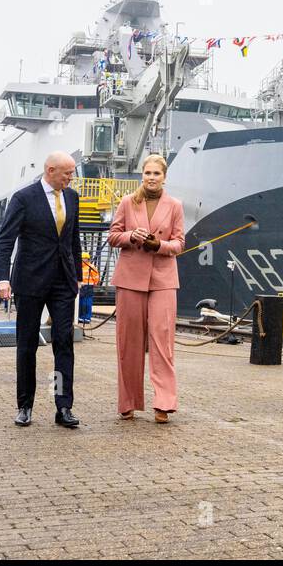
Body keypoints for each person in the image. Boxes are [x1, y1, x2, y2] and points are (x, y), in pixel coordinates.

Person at [0, 151, 83, 429]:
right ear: (50, 170)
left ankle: (63, 405)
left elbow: (73, 239)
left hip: (62, 283)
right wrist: (2, 279)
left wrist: (77, 276)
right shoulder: (23, 198)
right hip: (30, 281)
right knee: (27, 345)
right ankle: (25, 405)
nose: (72, 177)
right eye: (67, 173)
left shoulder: (71, 197)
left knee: (63, 343)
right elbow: (5, 241)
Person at [108, 153, 185, 424]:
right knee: (128, 343)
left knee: (162, 341)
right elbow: (113, 236)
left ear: (164, 177)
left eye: (157, 174)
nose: (152, 178)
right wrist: (131, 236)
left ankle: (164, 403)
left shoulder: (175, 206)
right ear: (142, 175)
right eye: (148, 173)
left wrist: (159, 246)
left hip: (163, 280)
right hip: (130, 278)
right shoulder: (128, 202)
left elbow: (179, 243)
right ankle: (127, 402)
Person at [78, 253, 99, 326]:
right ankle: (80, 317)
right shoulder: (79, 267)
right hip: (81, 286)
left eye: (84, 258)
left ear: (87, 259)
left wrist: (94, 283)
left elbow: (96, 276)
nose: (82, 260)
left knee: (87, 303)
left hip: (88, 286)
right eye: (82, 258)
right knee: (80, 303)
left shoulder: (91, 267)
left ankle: (87, 318)